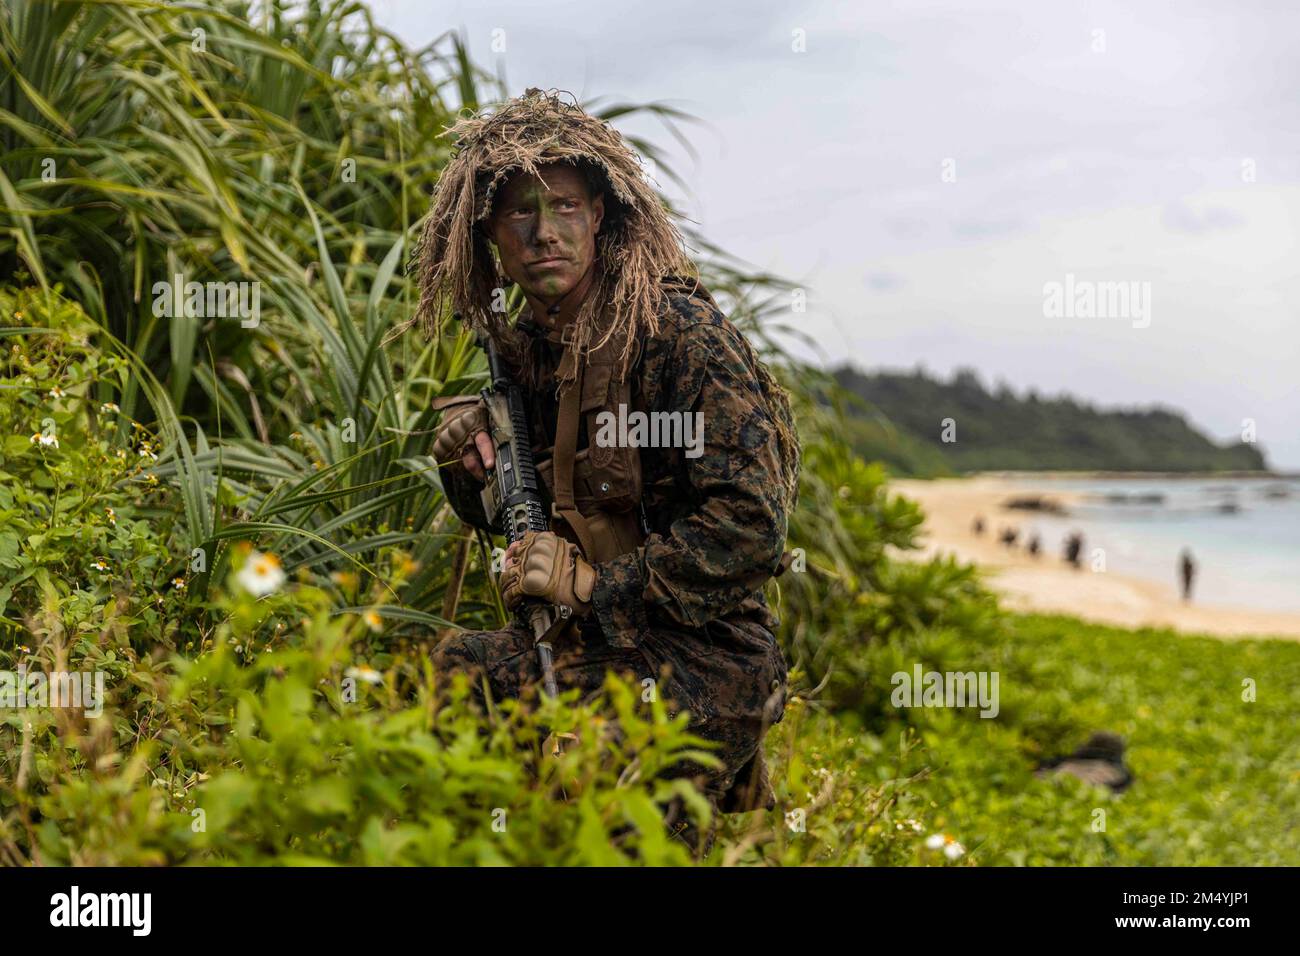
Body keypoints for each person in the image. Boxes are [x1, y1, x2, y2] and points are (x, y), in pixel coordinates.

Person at [415, 90, 799, 845]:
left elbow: (751, 527)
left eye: (563, 206)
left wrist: (592, 583)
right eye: (519, 213)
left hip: (704, 653)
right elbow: (515, 516)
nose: (543, 232)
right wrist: (469, 467)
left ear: (599, 216)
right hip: (592, 641)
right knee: (444, 686)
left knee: (602, 806)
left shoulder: (675, 334)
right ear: (490, 234)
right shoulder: (530, 347)